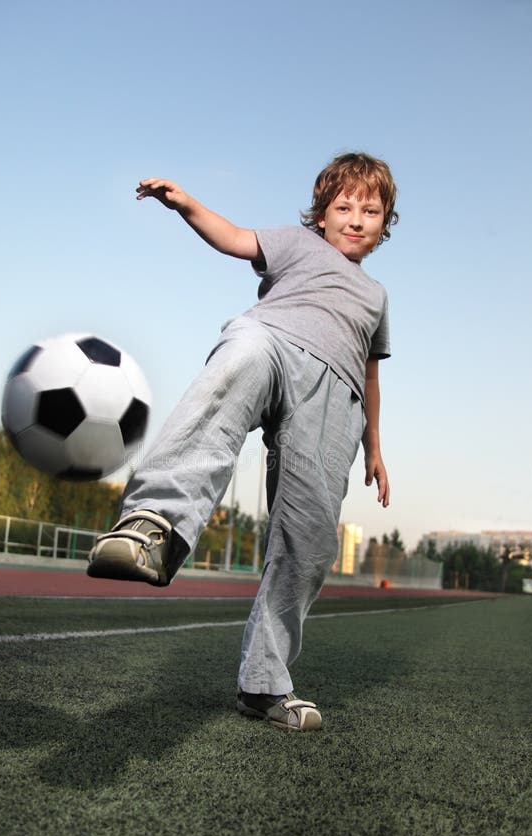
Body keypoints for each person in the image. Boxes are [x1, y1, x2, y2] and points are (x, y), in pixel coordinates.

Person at [88, 152, 398, 732]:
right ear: (323, 216)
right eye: (344, 206)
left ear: (385, 223)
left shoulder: (377, 298)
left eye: (371, 210)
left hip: (336, 400)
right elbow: (232, 237)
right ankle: (154, 522)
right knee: (240, 359)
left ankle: (263, 685)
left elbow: (372, 372)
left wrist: (374, 446)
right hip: (274, 343)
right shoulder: (297, 246)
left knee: (309, 544)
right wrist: (186, 205)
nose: (356, 218)